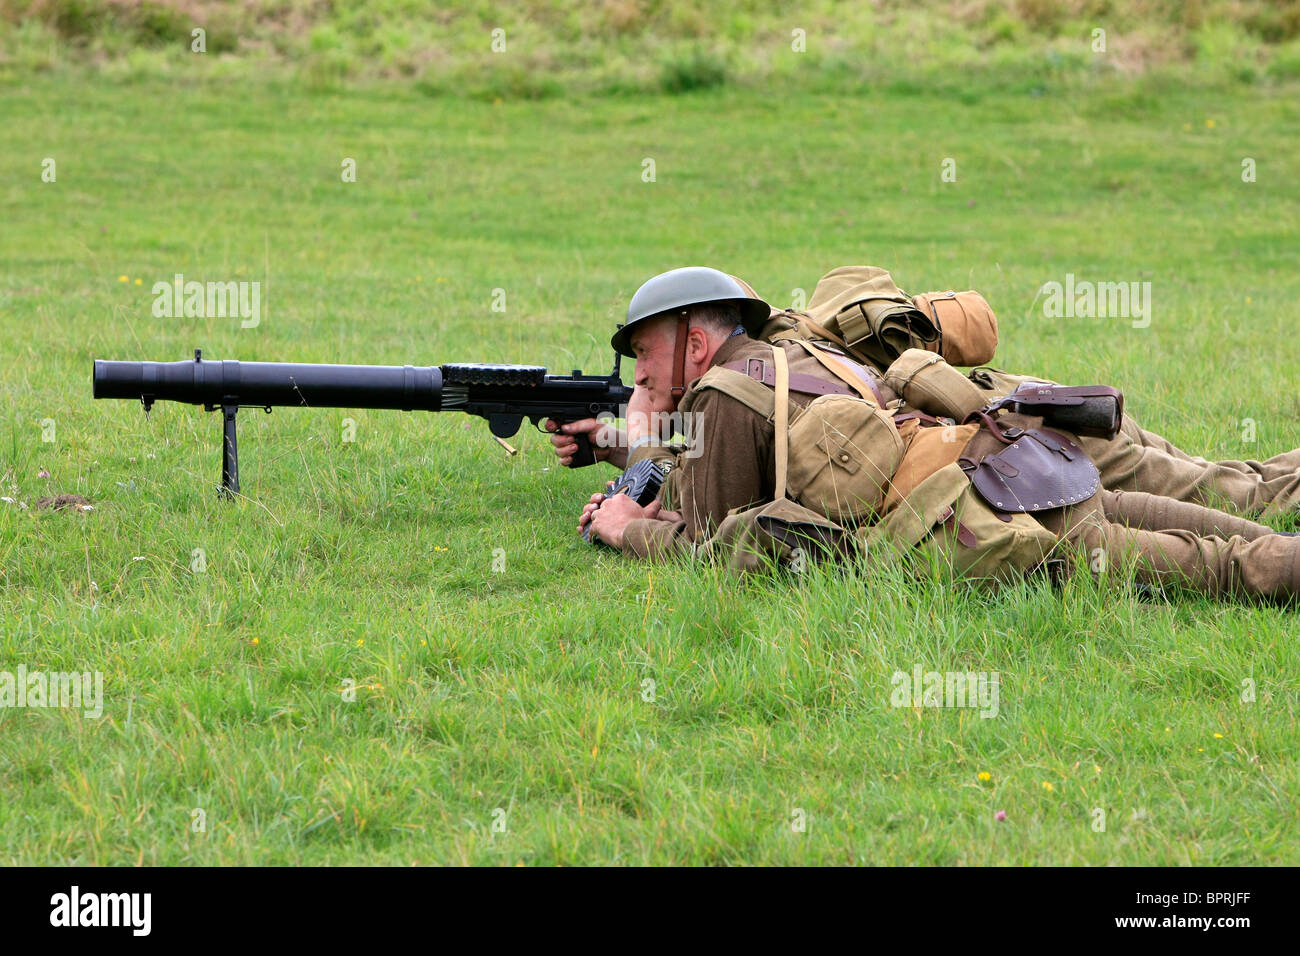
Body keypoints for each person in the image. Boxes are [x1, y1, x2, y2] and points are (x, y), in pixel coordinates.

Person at [551, 267, 1300, 603]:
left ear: (695, 342)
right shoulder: (793, 351)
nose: (639, 372)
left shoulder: (719, 399)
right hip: (1018, 462)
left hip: (978, 516)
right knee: (1235, 531)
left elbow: (724, 552)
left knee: (1234, 570)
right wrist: (634, 448)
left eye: (644, 351)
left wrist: (626, 530)